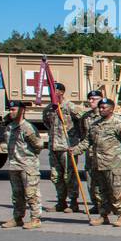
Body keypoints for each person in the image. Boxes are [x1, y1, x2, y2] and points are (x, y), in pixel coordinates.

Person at [69, 98, 121, 227]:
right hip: (97, 164)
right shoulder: (95, 125)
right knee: (99, 191)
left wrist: (117, 150)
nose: (101, 110)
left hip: (113, 164)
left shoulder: (119, 124)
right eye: (100, 107)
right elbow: (87, 141)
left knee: (116, 191)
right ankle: (103, 215)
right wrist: (76, 150)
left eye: (104, 108)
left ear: (111, 109)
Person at [1, 99, 44, 229]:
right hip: (14, 165)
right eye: (10, 109)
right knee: (17, 194)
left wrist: (28, 159)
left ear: (22, 111)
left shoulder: (28, 128)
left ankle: (35, 219)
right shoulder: (9, 127)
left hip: (27, 166)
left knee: (31, 193)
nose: (11, 112)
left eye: (14, 110)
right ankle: (18, 217)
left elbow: (38, 145)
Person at [42, 82, 82, 212]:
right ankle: (61, 201)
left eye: (54, 91)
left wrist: (76, 139)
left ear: (61, 92)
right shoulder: (49, 109)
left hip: (67, 146)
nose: (51, 94)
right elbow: (47, 123)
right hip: (54, 146)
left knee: (69, 176)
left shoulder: (70, 107)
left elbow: (82, 122)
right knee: (56, 176)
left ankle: (73, 202)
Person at [79, 89, 104, 214]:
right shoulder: (86, 117)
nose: (91, 101)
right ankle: (97, 204)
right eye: (89, 99)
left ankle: (110, 204)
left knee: (107, 180)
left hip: (106, 155)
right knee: (91, 180)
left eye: (94, 99)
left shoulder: (106, 116)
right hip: (90, 154)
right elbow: (84, 135)